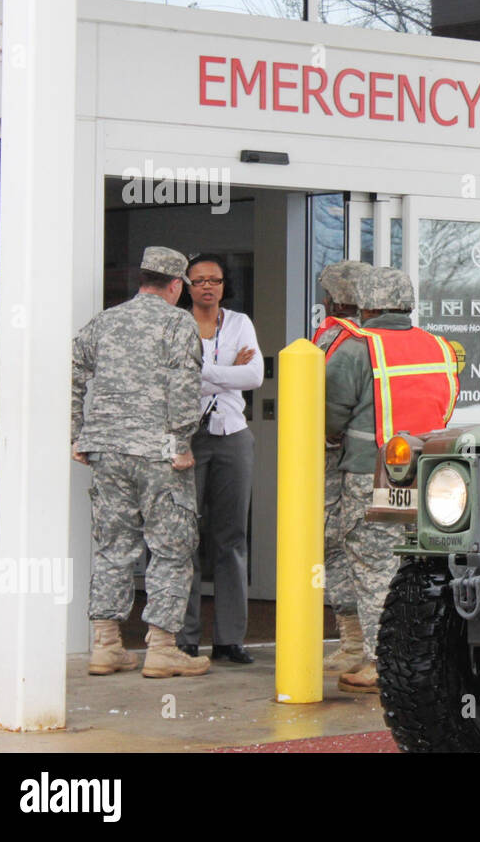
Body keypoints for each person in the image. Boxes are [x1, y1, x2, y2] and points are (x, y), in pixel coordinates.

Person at [72, 246, 211, 678]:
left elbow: (73, 373)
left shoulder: (106, 321)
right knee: (171, 548)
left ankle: (106, 644)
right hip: (159, 454)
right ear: (175, 285)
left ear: (141, 281)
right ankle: (163, 648)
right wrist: (182, 442)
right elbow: (185, 386)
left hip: (108, 451)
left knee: (113, 546)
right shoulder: (177, 322)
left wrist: (77, 433)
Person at [325, 266, 459, 694]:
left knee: (372, 565)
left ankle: (382, 658)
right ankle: (424, 654)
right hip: (433, 474)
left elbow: (329, 414)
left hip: (373, 472)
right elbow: (446, 403)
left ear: (366, 305)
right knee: (416, 564)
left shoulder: (357, 348)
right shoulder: (439, 346)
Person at [176, 254, 265, 663]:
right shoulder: (174, 325)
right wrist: (226, 368)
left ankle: (230, 639)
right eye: (199, 281)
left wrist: (205, 372)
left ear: (224, 285)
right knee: (184, 537)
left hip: (232, 435)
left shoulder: (240, 323)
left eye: (214, 280)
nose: (207, 287)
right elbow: (176, 380)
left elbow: (254, 377)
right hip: (186, 439)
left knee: (231, 538)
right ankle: (185, 637)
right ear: (186, 286)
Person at [312, 259, 372, 674]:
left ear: (330, 299)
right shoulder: (391, 340)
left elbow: (329, 407)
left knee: (339, 546)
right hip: (392, 460)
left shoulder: (337, 340)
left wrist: (326, 434)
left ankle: (357, 644)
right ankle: (359, 644)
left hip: (340, 460)